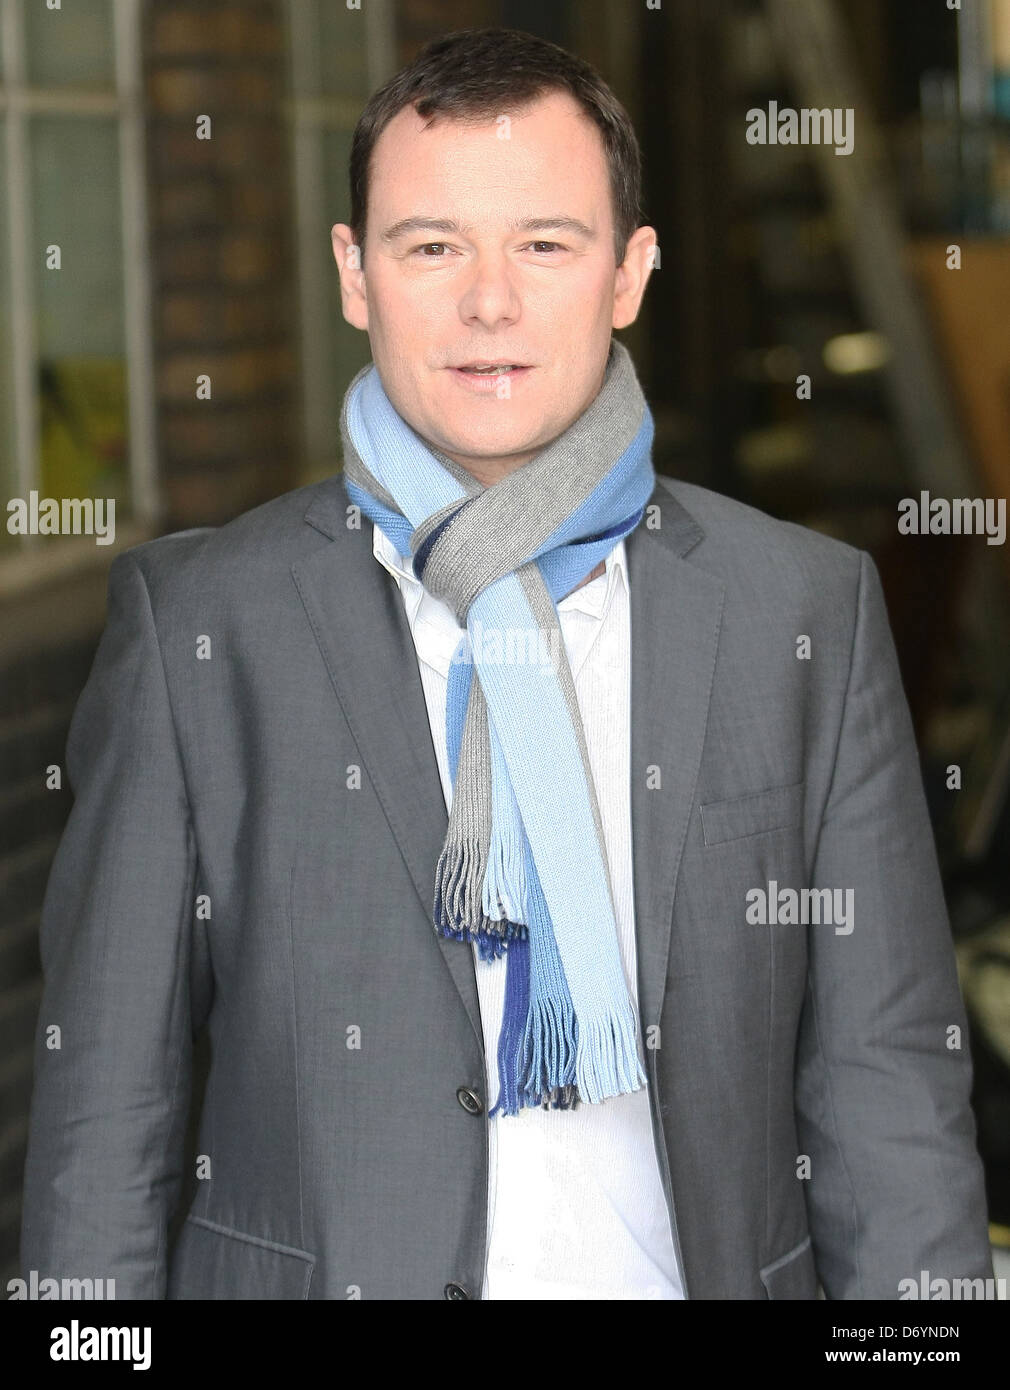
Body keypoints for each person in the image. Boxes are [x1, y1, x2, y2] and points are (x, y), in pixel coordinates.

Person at [20, 26, 993, 1301]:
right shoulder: (202, 627)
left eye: (544, 244)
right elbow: (106, 1111)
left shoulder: (800, 612)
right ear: (354, 273)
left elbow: (886, 1087)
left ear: (631, 272)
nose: (490, 301)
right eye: (432, 247)